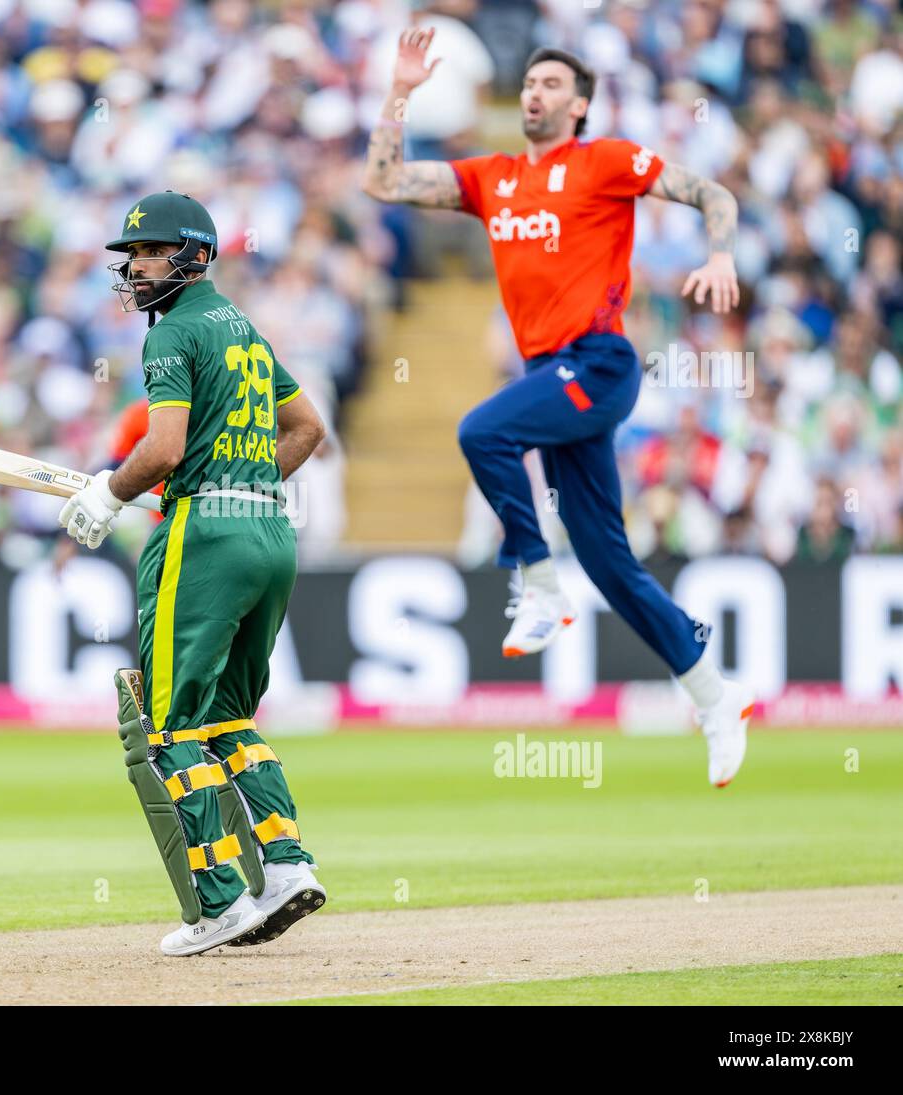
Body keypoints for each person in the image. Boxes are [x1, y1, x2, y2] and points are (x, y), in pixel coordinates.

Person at [363, 30, 754, 787]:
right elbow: (385, 183)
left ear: (578, 106)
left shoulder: (604, 161)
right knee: (608, 561)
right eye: (530, 82)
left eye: (550, 84)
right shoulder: (494, 177)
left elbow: (713, 192)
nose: (533, 92)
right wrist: (402, 92)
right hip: (552, 374)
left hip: (599, 363)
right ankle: (713, 692)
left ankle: (536, 583)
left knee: (482, 429)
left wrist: (720, 254)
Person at [58, 191, 329, 955]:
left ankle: (219, 902)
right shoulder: (241, 327)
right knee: (229, 718)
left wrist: (109, 492)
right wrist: (244, 480)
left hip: (204, 537)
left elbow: (167, 446)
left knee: (170, 724)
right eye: (131, 255)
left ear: (196, 255)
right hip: (271, 531)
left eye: (149, 251)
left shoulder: (172, 333)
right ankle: (286, 865)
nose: (135, 266)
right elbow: (309, 427)